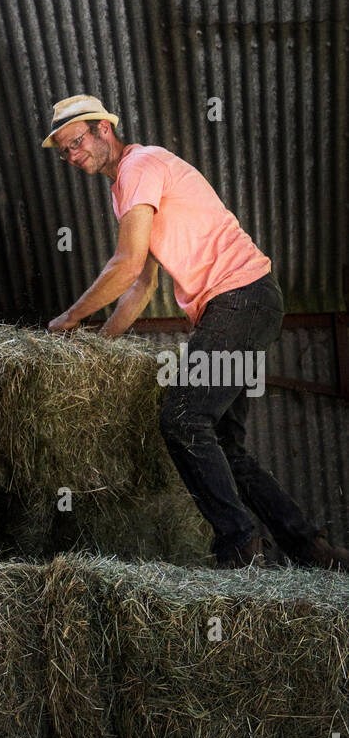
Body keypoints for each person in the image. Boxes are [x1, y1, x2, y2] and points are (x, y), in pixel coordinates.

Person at [42, 92, 349, 571]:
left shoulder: (139, 166)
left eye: (75, 142)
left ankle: (240, 549)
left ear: (104, 128)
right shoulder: (125, 185)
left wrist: (71, 318)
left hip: (239, 299)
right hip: (245, 303)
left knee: (182, 418)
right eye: (63, 150)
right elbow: (141, 285)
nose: (71, 155)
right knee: (224, 443)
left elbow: (124, 266)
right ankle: (312, 549)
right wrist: (100, 346)